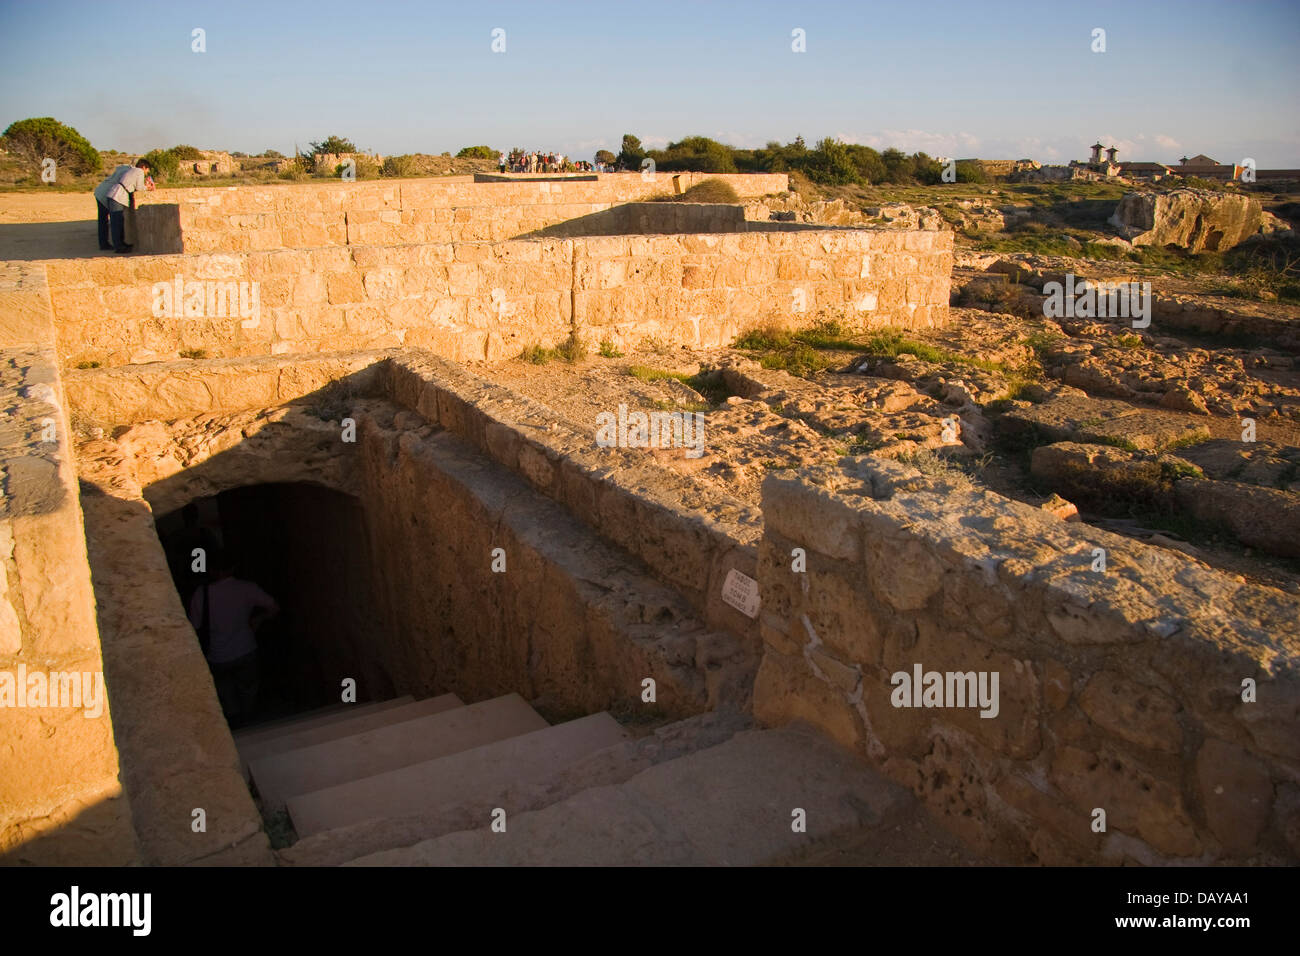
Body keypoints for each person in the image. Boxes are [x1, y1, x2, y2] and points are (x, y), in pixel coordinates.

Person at [188, 548, 279, 727]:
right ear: (233, 567)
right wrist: (258, 619)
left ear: (212, 569)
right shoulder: (247, 588)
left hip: (217, 655)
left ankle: (235, 724)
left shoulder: (201, 594)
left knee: (226, 693)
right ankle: (249, 722)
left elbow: (194, 626)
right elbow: (274, 607)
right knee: (249, 689)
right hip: (245, 649)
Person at [94, 158, 151, 253]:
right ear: (144, 167)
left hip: (107, 193)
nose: (146, 173)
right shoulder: (138, 171)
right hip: (115, 195)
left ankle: (109, 244)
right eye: (147, 170)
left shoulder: (128, 170)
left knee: (107, 220)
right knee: (116, 220)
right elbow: (139, 187)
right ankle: (118, 246)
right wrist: (148, 187)